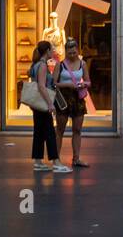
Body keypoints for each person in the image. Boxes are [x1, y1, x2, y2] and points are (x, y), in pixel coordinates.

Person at [28, 40, 71, 173]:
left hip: (37, 104)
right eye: (51, 49)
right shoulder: (42, 66)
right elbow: (42, 86)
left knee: (39, 132)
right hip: (43, 103)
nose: (53, 51)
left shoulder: (36, 64)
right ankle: (56, 162)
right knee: (50, 133)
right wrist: (50, 103)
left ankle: (38, 161)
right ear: (46, 51)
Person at [54, 38, 92, 168]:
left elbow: (88, 81)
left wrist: (82, 84)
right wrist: (68, 85)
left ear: (77, 51)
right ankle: (56, 159)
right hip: (63, 98)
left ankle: (76, 159)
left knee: (77, 129)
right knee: (60, 129)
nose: (72, 55)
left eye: (74, 53)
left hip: (77, 98)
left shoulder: (83, 64)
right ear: (65, 52)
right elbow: (54, 84)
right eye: (69, 53)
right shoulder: (60, 65)